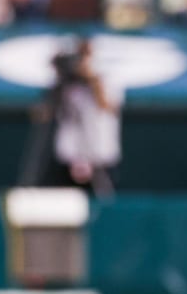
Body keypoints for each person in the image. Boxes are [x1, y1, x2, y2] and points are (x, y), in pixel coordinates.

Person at [23, 37, 121, 197]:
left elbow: (107, 106)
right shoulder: (65, 83)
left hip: (98, 153)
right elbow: (43, 114)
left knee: (104, 199)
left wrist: (91, 78)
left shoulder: (105, 80)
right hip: (69, 154)